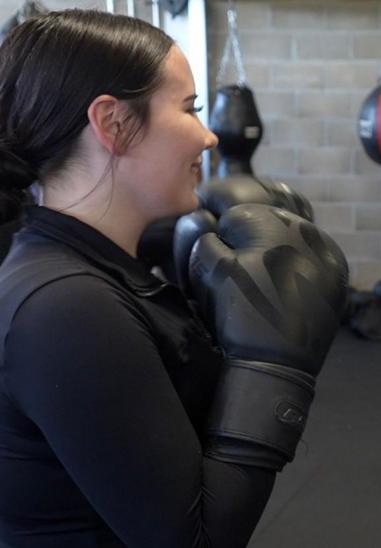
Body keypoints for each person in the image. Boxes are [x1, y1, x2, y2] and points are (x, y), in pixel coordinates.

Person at [0, 10, 345, 547]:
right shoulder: (69, 307)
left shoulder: (89, 269)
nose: (208, 136)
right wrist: (273, 365)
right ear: (112, 123)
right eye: (190, 108)